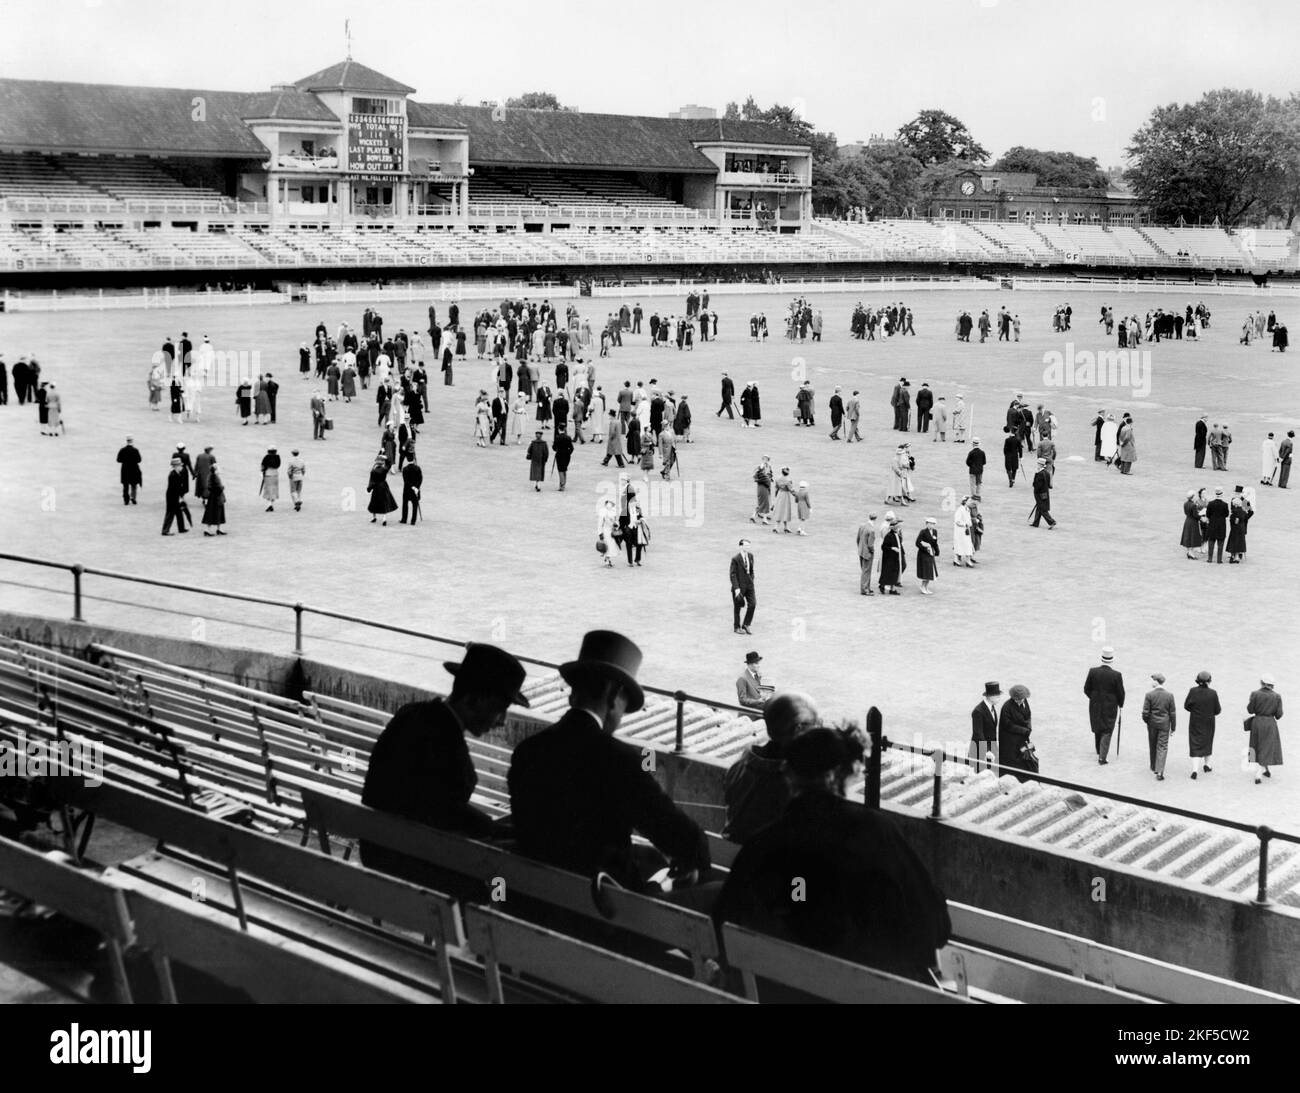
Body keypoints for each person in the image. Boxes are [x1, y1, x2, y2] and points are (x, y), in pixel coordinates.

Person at [713, 727, 951, 991]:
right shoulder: (877, 833)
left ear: (789, 775)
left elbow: (726, 917)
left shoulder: (764, 843)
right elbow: (935, 926)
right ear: (847, 773)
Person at [508, 631, 711, 897]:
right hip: (603, 913)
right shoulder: (619, 759)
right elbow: (685, 838)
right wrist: (695, 861)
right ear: (613, 693)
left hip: (530, 899)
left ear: (573, 694)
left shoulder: (527, 751)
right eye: (626, 705)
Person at [362, 644, 529, 887]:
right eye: (500, 709)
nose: (502, 721)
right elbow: (451, 813)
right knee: (504, 883)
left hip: (379, 853)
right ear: (476, 698)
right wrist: (506, 831)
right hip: (421, 871)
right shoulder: (450, 748)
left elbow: (435, 806)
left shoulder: (410, 716)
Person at [722, 691, 817, 843]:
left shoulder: (739, 766)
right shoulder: (797, 781)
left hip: (736, 855)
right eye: (816, 724)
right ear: (799, 729)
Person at [1084, 647, 1125, 765]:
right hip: (1110, 707)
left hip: (1095, 705)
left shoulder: (1093, 671)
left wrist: (1094, 698)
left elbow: (1086, 689)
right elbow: (1120, 692)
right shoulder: (1116, 675)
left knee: (1097, 727)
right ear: (1111, 660)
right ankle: (1102, 757)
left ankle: (1098, 750)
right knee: (1107, 730)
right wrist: (1120, 704)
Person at [1246, 675, 1283, 784]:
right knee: (1267, 746)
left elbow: (1250, 710)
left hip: (1257, 722)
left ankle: (1265, 770)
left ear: (1262, 683)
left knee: (1257, 745)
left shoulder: (1255, 694)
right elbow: (1279, 715)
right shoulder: (1277, 696)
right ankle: (1258, 774)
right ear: (1272, 685)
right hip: (1270, 723)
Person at [1184, 670, 1220, 779]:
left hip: (1195, 721)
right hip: (1209, 721)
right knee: (1207, 741)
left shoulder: (1193, 691)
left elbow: (1186, 706)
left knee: (1195, 742)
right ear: (1209, 681)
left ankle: (1195, 770)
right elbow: (1217, 710)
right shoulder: (1213, 693)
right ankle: (1207, 765)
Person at [1142, 673, 1177, 781]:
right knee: (1162, 746)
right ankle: (1160, 771)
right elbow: (1172, 713)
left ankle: (1154, 766)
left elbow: (1145, 712)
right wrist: (1173, 727)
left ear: (1157, 681)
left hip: (1152, 723)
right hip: (1164, 724)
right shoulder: (1169, 695)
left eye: (1153, 680)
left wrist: (1147, 721)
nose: (1151, 682)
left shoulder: (1149, 695)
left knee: (1152, 744)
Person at [998, 685, 1035, 780]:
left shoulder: (1025, 702)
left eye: (1022, 699)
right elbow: (1008, 725)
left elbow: (1028, 716)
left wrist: (1029, 728)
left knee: (1024, 760)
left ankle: (1025, 779)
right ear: (1013, 698)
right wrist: (1024, 730)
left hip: (1022, 739)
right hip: (1010, 742)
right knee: (1011, 763)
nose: (1020, 701)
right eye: (1017, 699)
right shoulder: (1006, 707)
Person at [970, 681, 1000, 770]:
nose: (999, 699)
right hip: (980, 750)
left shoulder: (992, 708)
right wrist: (987, 751)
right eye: (998, 696)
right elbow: (978, 733)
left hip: (992, 748)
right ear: (990, 697)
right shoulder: (978, 711)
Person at [731, 538, 757, 635]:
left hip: (749, 585)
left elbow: (751, 570)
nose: (747, 547)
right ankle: (737, 627)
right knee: (737, 607)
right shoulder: (736, 559)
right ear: (741, 546)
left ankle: (746, 624)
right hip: (739, 586)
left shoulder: (750, 556)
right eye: (746, 545)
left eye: (748, 546)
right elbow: (732, 574)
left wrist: (751, 579)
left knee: (753, 604)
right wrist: (736, 588)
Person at [160, 456, 191, 536]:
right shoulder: (173, 475)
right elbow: (175, 488)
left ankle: (181, 528)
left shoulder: (177, 473)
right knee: (170, 513)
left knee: (179, 512)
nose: (181, 466)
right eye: (180, 465)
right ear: (176, 466)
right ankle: (165, 530)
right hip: (172, 497)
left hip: (175, 495)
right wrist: (180, 498)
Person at [366, 455, 398, 525]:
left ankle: (374, 517)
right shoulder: (384, 469)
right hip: (384, 486)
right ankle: (384, 519)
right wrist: (386, 458)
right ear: (382, 463)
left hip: (376, 487)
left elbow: (372, 481)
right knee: (384, 502)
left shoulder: (373, 471)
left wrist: (369, 488)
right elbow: (389, 464)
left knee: (374, 502)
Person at [879, 516, 906, 595]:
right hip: (889, 558)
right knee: (887, 573)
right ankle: (882, 585)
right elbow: (883, 547)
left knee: (895, 573)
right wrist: (892, 548)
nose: (898, 529)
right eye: (897, 527)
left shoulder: (897, 535)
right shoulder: (889, 536)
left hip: (896, 558)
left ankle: (892, 589)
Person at [201, 458, 226, 536]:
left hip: (215, 497)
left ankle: (218, 529)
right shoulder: (214, 477)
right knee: (213, 513)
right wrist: (222, 488)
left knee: (216, 513)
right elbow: (215, 487)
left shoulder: (212, 476)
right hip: (216, 497)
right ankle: (208, 530)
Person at [1204, 487, 1229, 564]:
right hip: (1221, 526)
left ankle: (1210, 559)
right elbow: (1226, 514)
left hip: (1212, 525)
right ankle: (1219, 560)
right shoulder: (1225, 504)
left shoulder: (1210, 504)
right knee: (1220, 544)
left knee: (1211, 542)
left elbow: (1207, 514)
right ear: (1221, 494)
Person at [915, 517, 939, 595]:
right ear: (927, 524)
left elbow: (935, 542)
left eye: (933, 524)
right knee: (926, 571)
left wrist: (937, 551)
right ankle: (923, 586)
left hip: (931, 553)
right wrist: (926, 549)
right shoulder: (923, 532)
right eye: (930, 524)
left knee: (930, 571)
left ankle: (926, 587)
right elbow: (917, 543)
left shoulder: (935, 532)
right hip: (923, 554)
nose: (932, 525)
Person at [1030, 458, 1057, 529]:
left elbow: (1037, 485)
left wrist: (1036, 476)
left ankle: (1052, 522)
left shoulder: (1040, 474)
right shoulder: (1046, 473)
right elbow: (1048, 484)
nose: (1037, 465)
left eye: (1038, 464)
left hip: (1040, 494)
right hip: (1045, 493)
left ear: (1040, 464)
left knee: (1042, 509)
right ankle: (1036, 523)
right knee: (1039, 508)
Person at [1226, 494, 1253, 563]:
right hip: (1240, 526)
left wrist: (1244, 519)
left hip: (1238, 526)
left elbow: (1251, 512)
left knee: (1237, 540)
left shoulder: (1244, 501)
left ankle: (1236, 555)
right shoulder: (1235, 500)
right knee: (1239, 540)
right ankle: (1236, 556)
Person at [856, 512, 878, 595]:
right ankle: (865, 589)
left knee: (864, 570)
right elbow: (870, 544)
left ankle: (867, 587)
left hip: (861, 551)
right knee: (867, 571)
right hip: (867, 553)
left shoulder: (862, 526)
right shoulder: (871, 530)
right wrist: (872, 551)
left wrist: (860, 548)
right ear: (875, 519)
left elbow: (858, 539)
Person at [116, 436, 142, 506]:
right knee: (134, 485)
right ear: (132, 441)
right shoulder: (135, 450)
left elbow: (118, 460)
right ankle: (133, 497)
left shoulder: (122, 450)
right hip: (133, 469)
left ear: (126, 441)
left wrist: (125, 460)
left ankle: (126, 500)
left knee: (125, 486)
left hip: (125, 470)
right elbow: (139, 460)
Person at [751, 456, 774, 524]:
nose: (765, 460)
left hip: (765, 486)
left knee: (761, 502)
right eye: (764, 459)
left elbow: (770, 475)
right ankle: (764, 519)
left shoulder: (768, 466)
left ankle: (754, 516)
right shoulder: (761, 467)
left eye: (767, 459)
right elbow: (760, 474)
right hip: (763, 486)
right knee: (765, 503)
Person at [400, 453, 422, 524]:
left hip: (407, 490)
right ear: (413, 459)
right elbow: (420, 479)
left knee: (405, 505)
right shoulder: (418, 468)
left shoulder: (405, 469)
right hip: (415, 490)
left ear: (407, 459)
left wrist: (412, 487)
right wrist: (416, 488)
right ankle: (413, 521)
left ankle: (404, 519)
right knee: (415, 505)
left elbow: (406, 481)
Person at [771, 467, 795, 533]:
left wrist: (776, 496)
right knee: (785, 511)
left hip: (779, 494)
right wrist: (796, 496)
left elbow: (776, 488)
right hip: (786, 495)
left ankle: (786, 527)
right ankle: (777, 527)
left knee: (780, 510)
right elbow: (791, 489)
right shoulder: (788, 480)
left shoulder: (778, 479)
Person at [259, 448, 280, 512]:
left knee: (268, 491)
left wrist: (262, 470)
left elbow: (262, 466)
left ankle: (269, 505)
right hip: (275, 474)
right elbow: (278, 465)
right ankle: (271, 504)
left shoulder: (266, 457)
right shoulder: (277, 457)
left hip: (268, 474)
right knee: (273, 490)